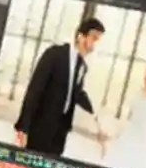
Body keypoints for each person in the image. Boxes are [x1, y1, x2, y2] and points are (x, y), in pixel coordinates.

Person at [13, 18, 104, 155]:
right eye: (94, 38)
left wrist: (94, 113)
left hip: (60, 134)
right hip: (40, 127)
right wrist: (23, 127)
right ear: (81, 36)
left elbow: (77, 93)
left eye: (98, 40)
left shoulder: (82, 67)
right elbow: (35, 89)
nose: (95, 44)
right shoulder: (54, 54)